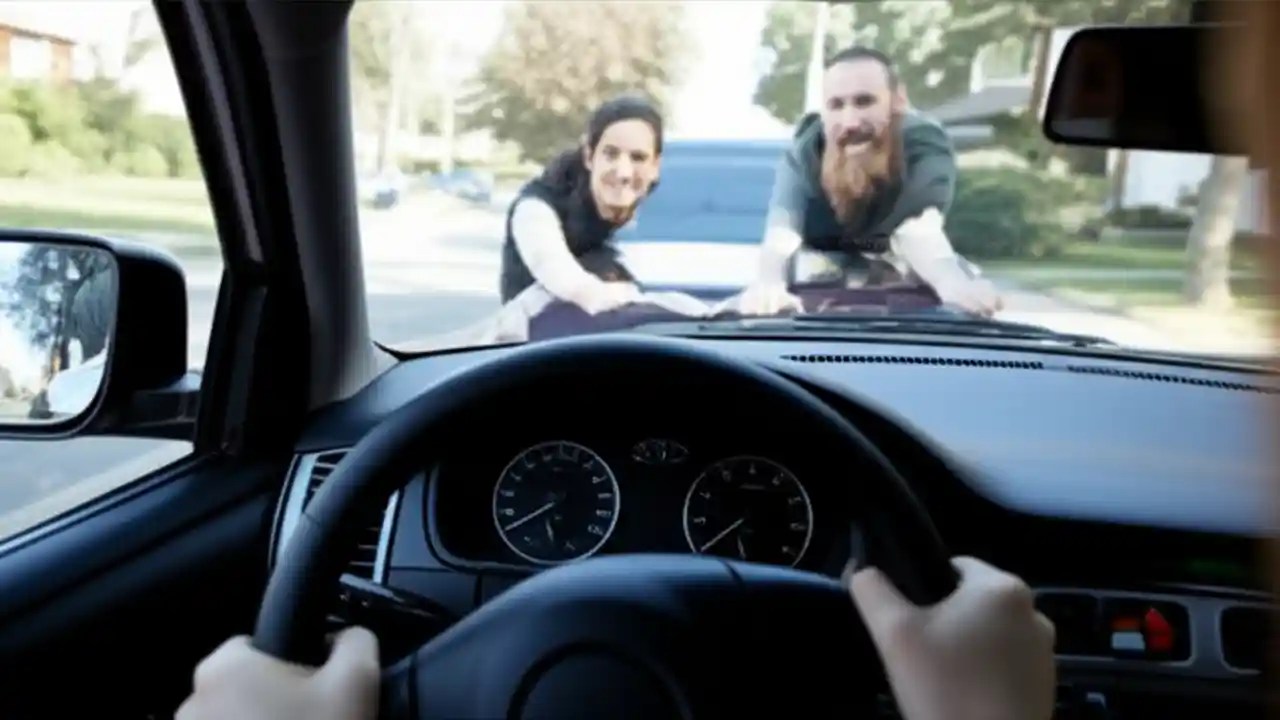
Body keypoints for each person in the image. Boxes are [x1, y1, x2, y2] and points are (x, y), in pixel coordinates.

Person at [733, 46, 1002, 318]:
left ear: (897, 101)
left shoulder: (923, 142)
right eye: (836, 105)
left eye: (864, 102)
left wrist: (952, 284)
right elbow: (782, 232)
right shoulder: (808, 148)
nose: (849, 122)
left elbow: (919, 227)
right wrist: (768, 285)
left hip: (905, 298)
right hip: (819, 301)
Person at [498, 95, 664, 314]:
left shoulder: (630, 211)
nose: (623, 172)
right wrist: (633, 298)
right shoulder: (535, 210)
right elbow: (568, 281)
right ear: (589, 156)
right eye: (611, 154)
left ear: (655, 167)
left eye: (638, 158)